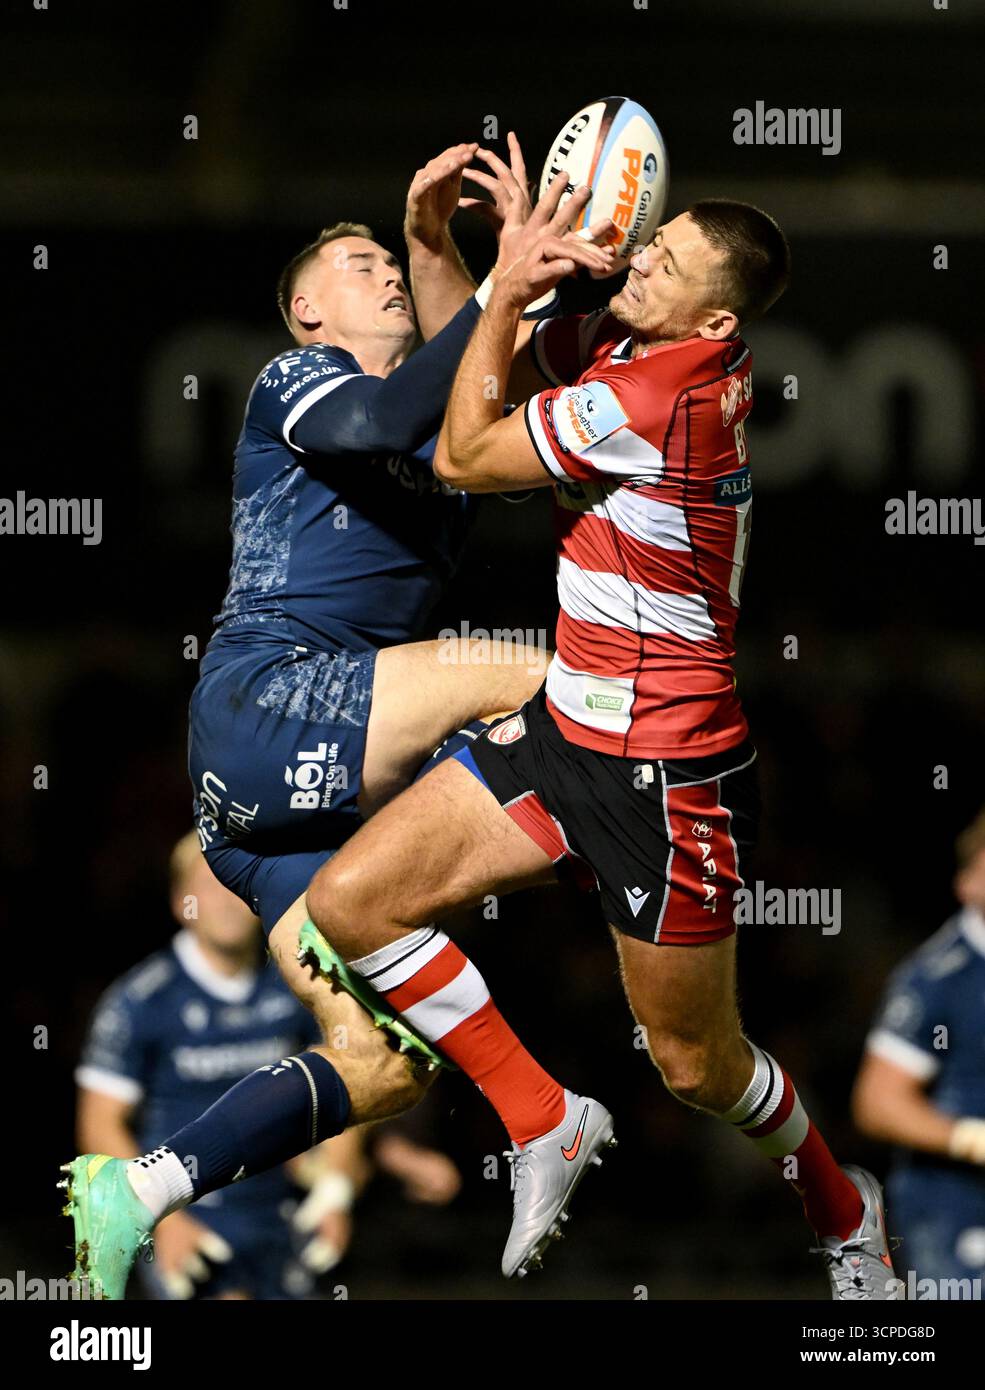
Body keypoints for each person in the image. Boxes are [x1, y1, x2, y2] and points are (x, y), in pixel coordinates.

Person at [302, 148, 903, 1297]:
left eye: (666, 257)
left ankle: (842, 1210)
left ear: (713, 316)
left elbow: (464, 451)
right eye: (654, 232)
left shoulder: (658, 394)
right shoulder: (639, 344)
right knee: (351, 902)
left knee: (696, 1066)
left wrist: (515, 282)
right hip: (566, 729)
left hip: (668, 776)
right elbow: (476, 372)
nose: (642, 253)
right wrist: (454, 254)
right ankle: (544, 1119)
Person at [63, 139, 615, 1298]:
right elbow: (388, 416)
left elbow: (467, 394)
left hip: (254, 820)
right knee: (522, 669)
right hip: (270, 703)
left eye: (386, 263)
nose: (380, 275)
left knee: (384, 1063)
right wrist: (500, 283)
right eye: (358, 263)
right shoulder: (295, 380)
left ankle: (143, 1187)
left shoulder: (438, 424)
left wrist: (441, 247)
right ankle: (628, 888)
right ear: (308, 309)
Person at [74, 834, 460, 1299]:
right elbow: (99, 1122)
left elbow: (350, 1076)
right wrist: (159, 1222)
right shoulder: (140, 1001)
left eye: (234, 885)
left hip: (284, 1217)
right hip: (192, 1216)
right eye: (208, 886)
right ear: (181, 903)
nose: (226, 901)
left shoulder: (299, 981)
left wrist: (338, 1187)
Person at [852, 809, 985, 1297]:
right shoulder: (938, 979)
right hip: (956, 1212)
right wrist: (973, 1139)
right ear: (966, 883)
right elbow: (879, 1100)